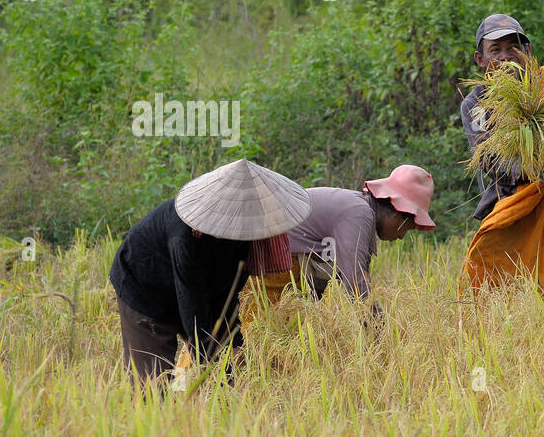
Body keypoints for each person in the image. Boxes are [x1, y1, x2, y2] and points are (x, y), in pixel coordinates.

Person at [108, 159, 311, 382]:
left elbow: (228, 293)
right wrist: (208, 362)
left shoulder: (244, 237)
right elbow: (191, 303)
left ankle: (208, 403)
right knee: (153, 382)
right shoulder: (187, 236)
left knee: (230, 369)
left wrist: (233, 343)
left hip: (192, 286)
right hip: (145, 286)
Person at [461, 13, 544, 282]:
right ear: (481, 59)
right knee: (507, 286)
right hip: (510, 205)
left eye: (513, 47)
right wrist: (534, 169)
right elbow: (490, 159)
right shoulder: (476, 104)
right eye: (495, 50)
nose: (505, 56)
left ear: (527, 51)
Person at [273, 165, 436, 317]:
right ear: (397, 214)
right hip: (272, 256)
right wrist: (378, 324)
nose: (401, 237)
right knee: (267, 326)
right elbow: (355, 281)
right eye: (406, 228)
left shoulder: (361, 213)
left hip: (283, 255)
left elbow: (330, 272)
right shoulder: (359, 213)